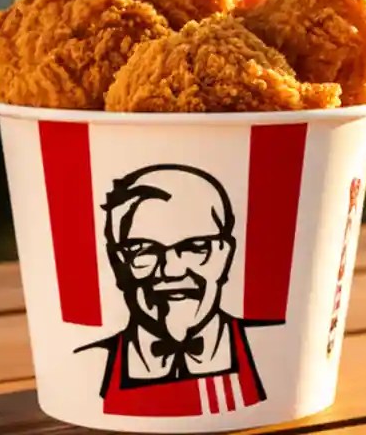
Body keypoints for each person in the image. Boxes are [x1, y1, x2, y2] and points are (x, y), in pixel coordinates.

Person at [78, 164, 266, 413]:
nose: (172, 270)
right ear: (118, 264)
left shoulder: (272, 350)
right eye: (144, 249)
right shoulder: (83, 367)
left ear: (225, 256)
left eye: (196, 246)